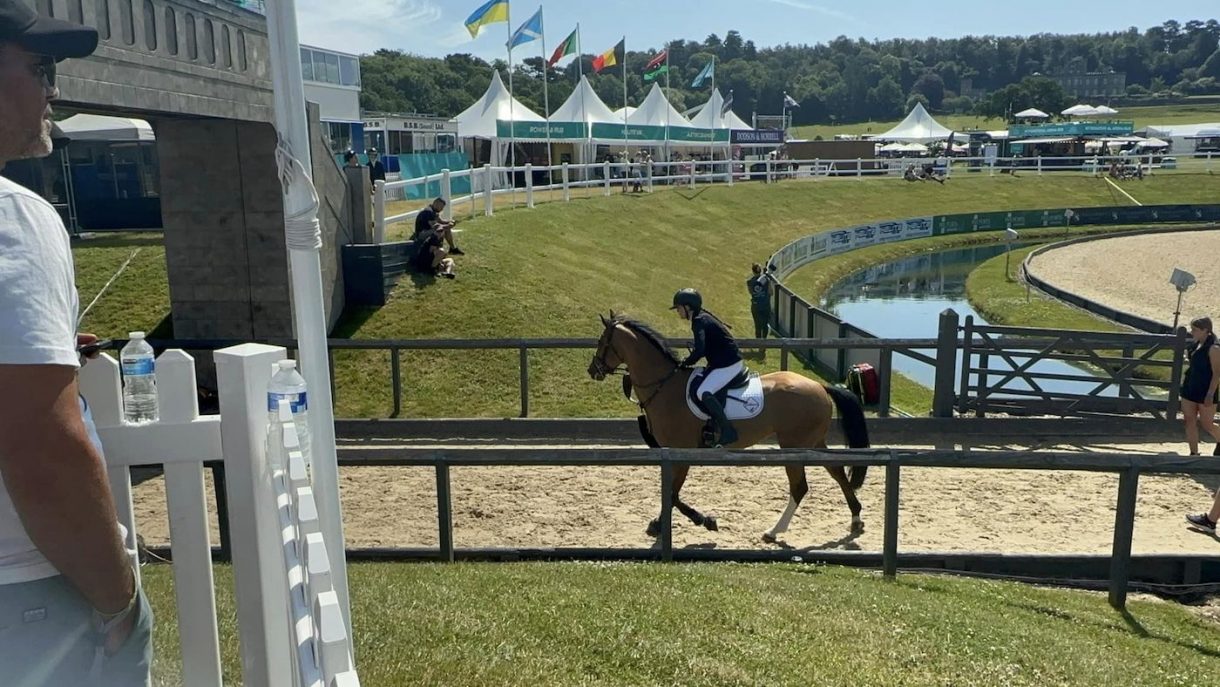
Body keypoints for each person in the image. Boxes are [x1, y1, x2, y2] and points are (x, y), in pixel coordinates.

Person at [0, 1, 152, 683]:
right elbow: (42, 450)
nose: (54, 89)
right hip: (28, 596)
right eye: (40, 67)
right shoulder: (15, 220)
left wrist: (43, 350)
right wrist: (119, 602)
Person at [672, 289, 744, 446]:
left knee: (703, 391)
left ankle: (728, 431)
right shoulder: (700, 318)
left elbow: (700, 350)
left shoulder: (699, 322)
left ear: (688, 307)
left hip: (729, 364)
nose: (677, 311)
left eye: (678, 308)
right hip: (721, 363)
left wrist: (686, 362)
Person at [1180, 317, 1220, 456]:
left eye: (1195, 330)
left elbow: (1216, 374)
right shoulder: (1195, 345)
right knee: (1189, 420)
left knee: (1207, 423)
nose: (1192, 332)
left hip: (1205, 389)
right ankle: (1194, 452)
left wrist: (1210, 394)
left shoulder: (1214, 349)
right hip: (1190, 386)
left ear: (1205, 330)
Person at [746, 263, 772, 343]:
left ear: (753, 271)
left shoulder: (749, 282)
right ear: (760, 271)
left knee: (758, 326)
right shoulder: (766, 279)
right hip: (765, 306)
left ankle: (758, 344)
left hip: (755, 306)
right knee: (765, 325)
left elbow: (751, 292)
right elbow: (771, 292)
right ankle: (764, 343)